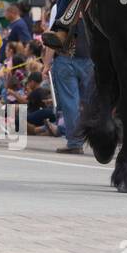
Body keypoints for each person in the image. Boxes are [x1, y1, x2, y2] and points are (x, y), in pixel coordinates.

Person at [46, 17, 94, 154]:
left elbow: (52, 37)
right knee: (91, 102)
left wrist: (46, 64)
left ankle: (75, 142)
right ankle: (98, 141)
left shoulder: (63, 5)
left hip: (66, 57)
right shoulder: (95, 3)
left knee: (70, 102)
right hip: (89, 58)